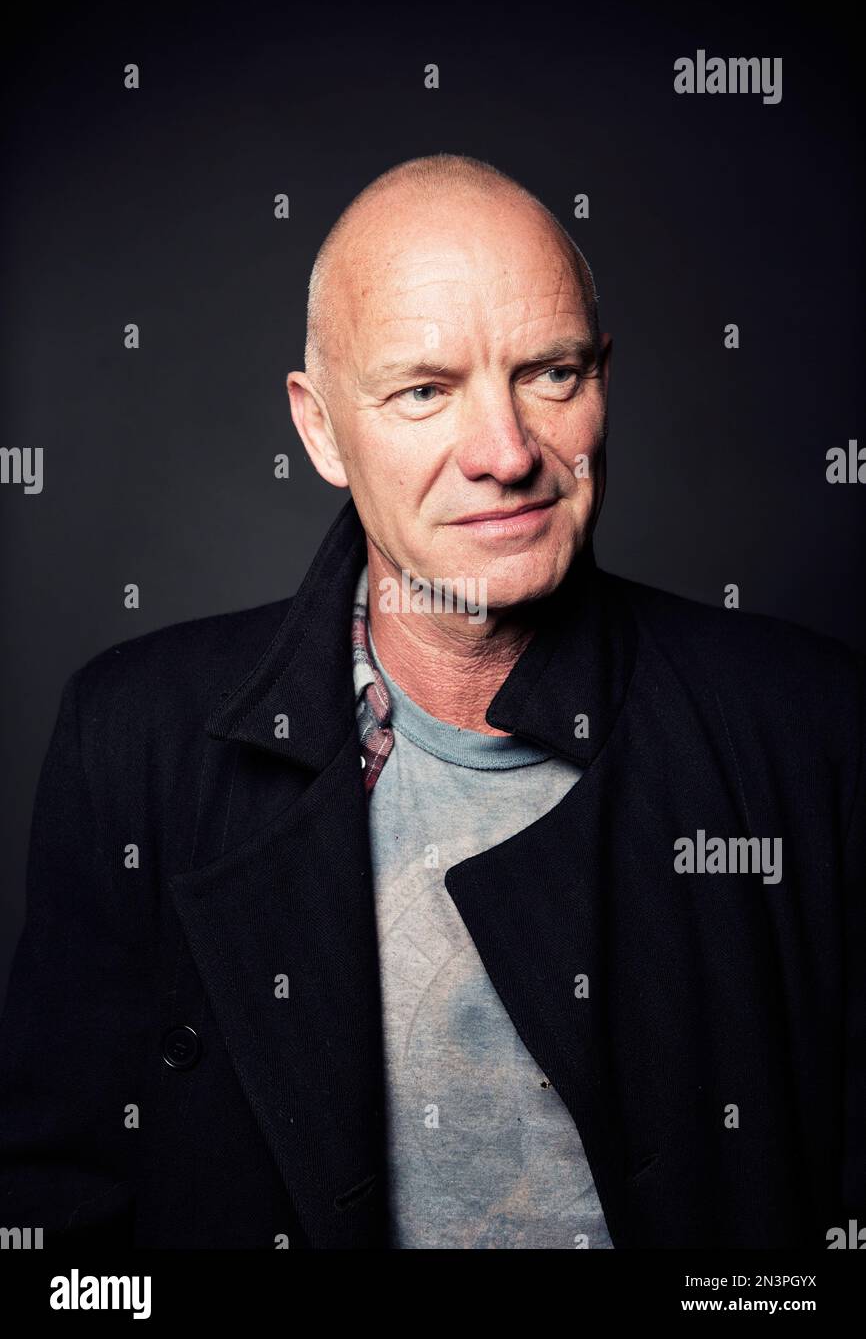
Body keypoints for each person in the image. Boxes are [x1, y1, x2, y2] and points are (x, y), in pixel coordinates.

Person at [0, 153, 862, 1250]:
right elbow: (57, 1213)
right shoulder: (132, 740)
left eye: (549, 374)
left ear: (602, 377)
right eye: (423, 390)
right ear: (319, 431)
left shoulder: (810, 729)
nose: (504, 454)